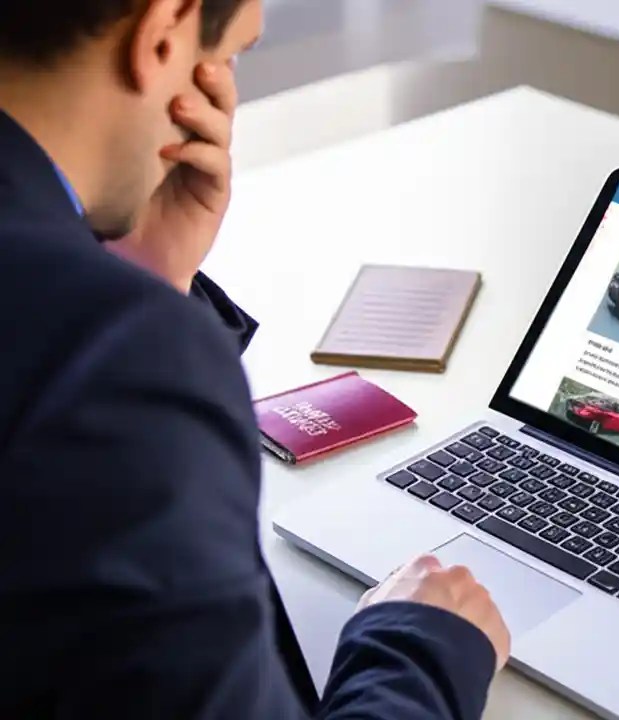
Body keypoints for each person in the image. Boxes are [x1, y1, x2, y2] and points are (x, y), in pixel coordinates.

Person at [0, 1, 511, 718]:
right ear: (162, 32)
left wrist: (149, 277)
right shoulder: (116, 356)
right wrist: (421, 647)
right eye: (231, 55)